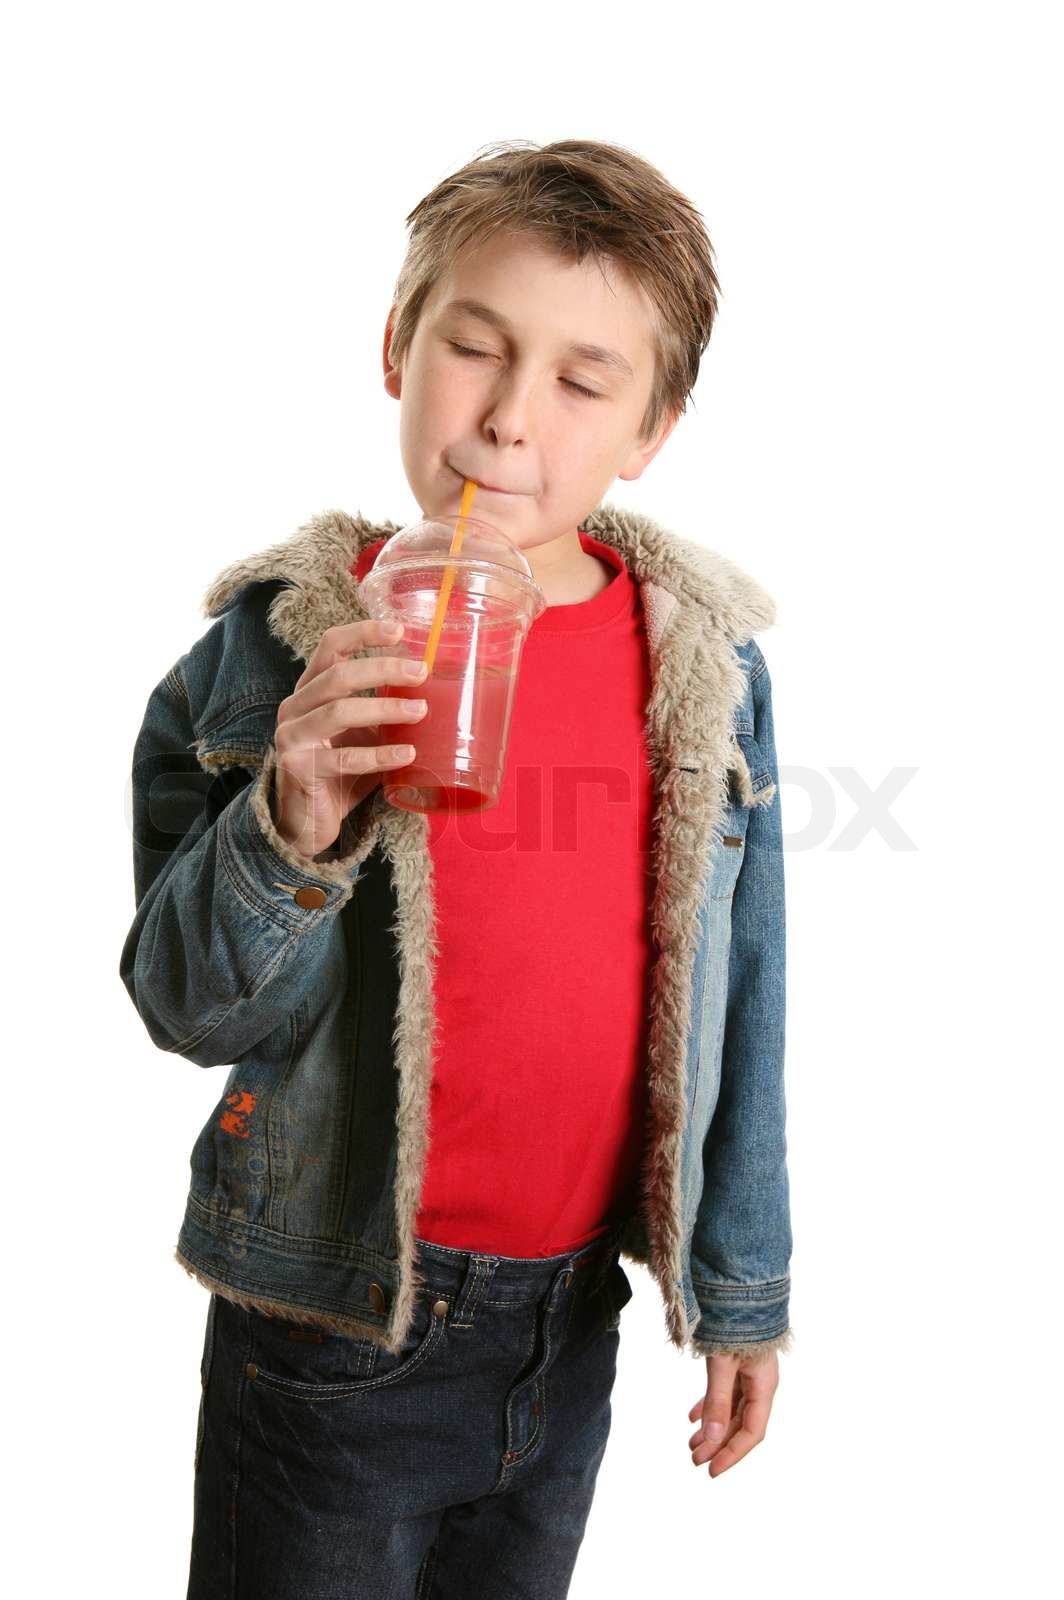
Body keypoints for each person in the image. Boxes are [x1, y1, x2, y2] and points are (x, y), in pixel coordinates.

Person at [120, 138, 793, 1599]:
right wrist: (290, 818)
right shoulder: (266, 656)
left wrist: (745, 1290)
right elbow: (184, 1008)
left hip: (570, 1329)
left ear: (655, 425)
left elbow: (748, 994)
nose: (504, 422)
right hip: (332, 1322)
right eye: (472, 350)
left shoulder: (701, 666)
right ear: (395, 349)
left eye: (581, 380)